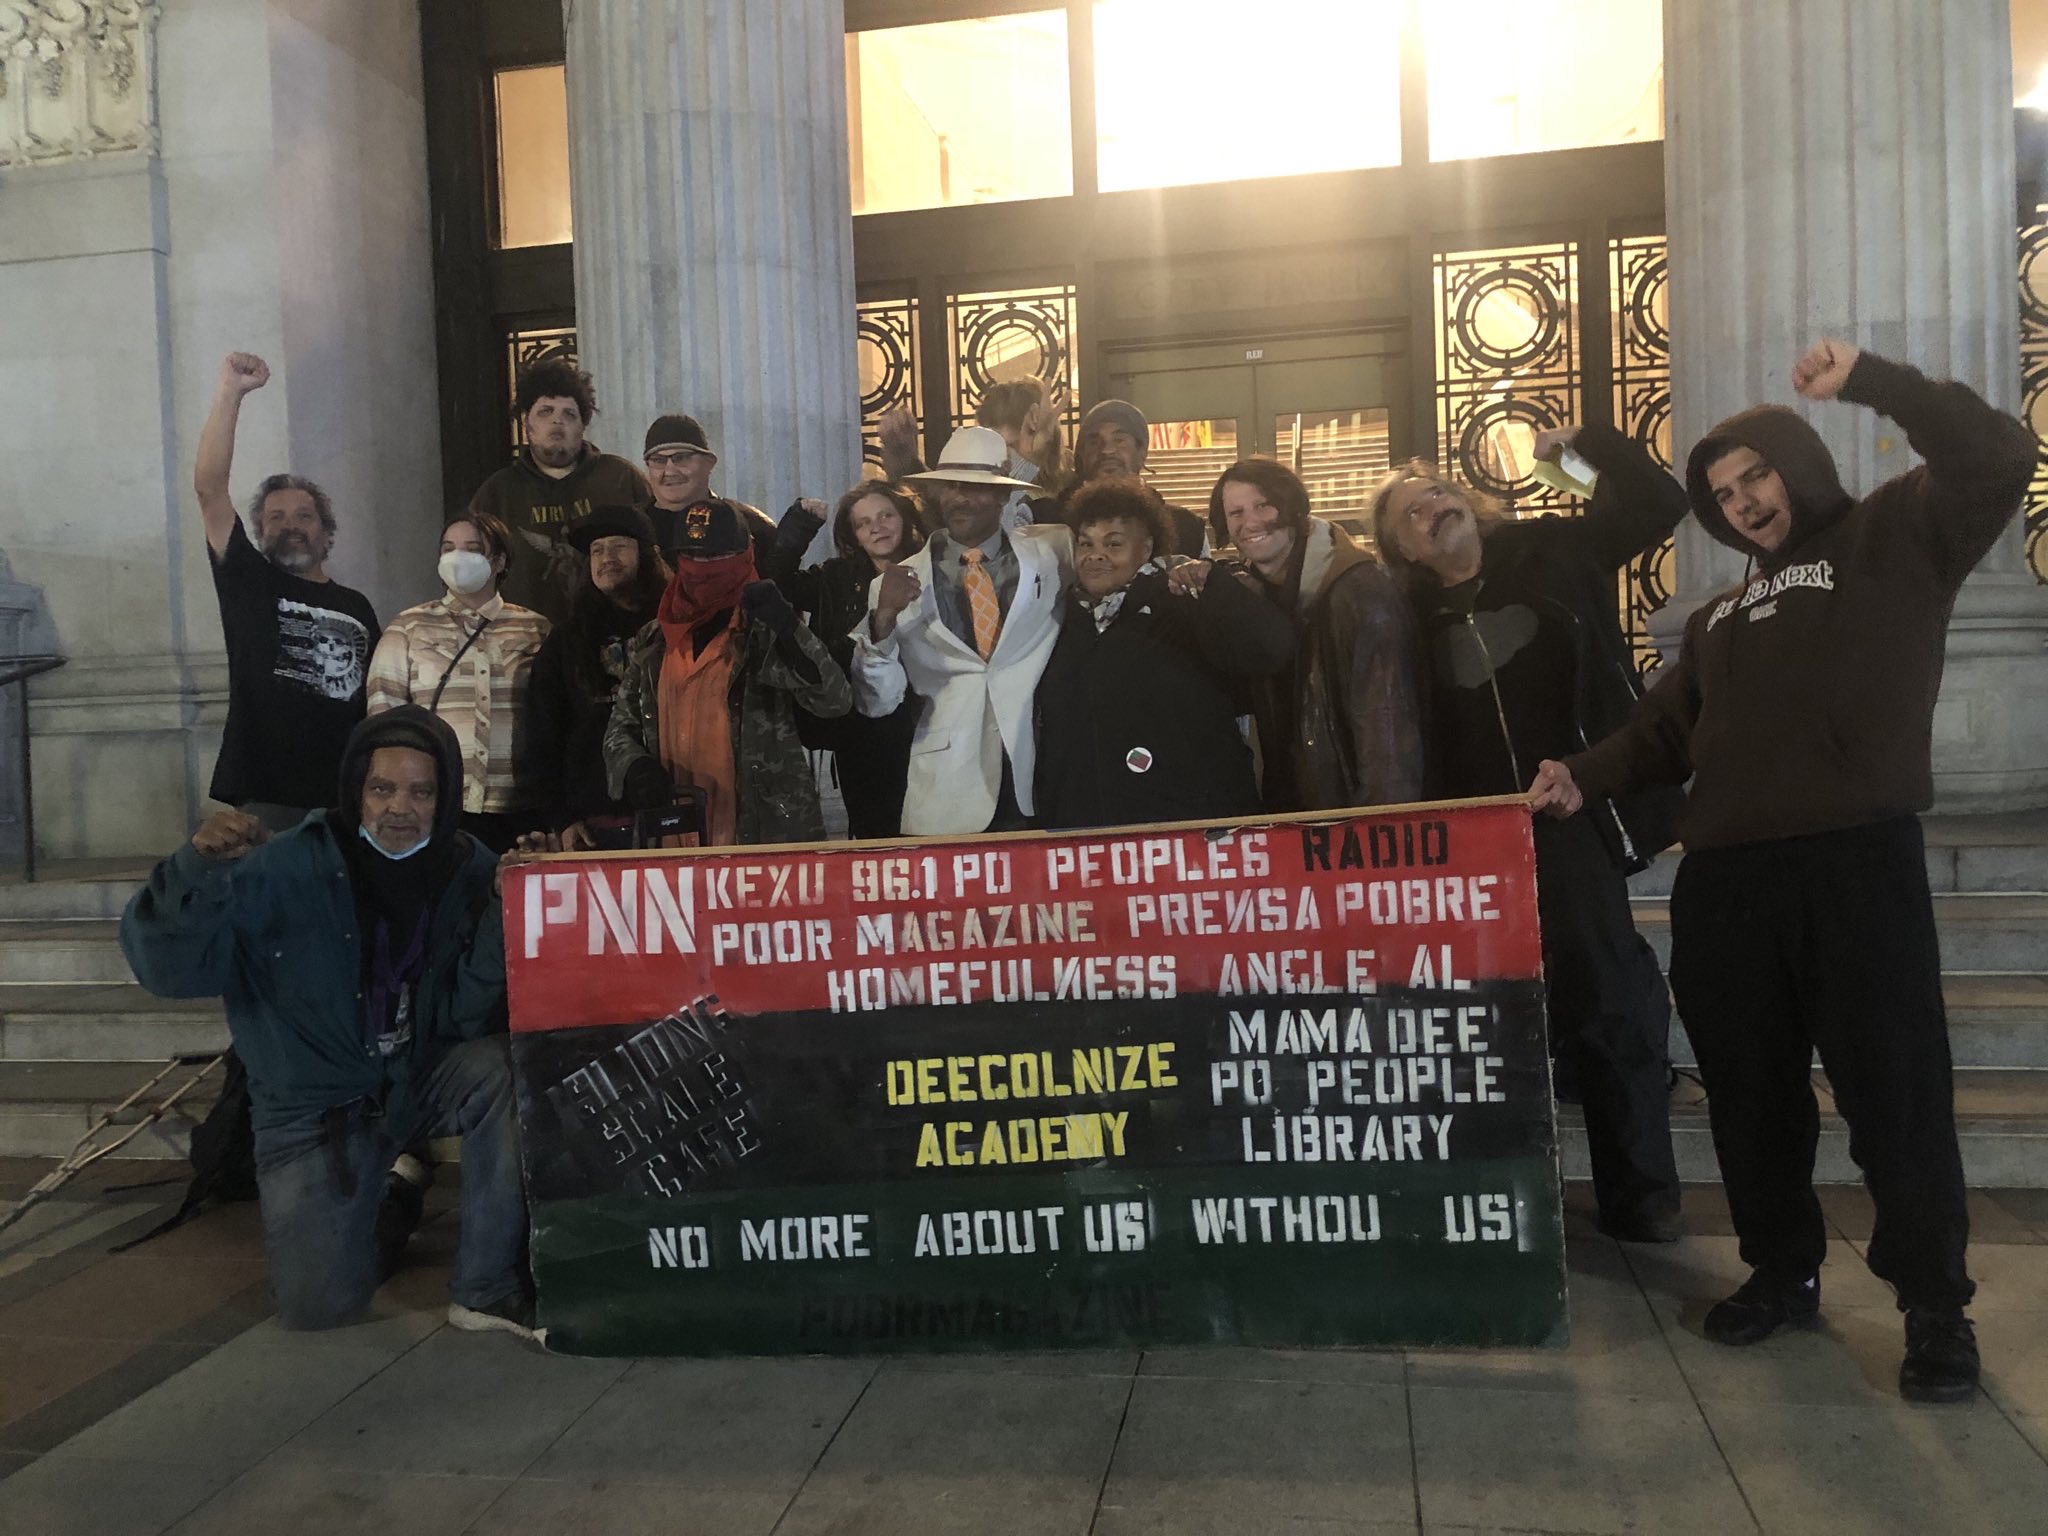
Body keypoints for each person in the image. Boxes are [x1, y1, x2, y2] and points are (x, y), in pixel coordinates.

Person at [1528, 339, 2036, 1404]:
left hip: (1857, 864)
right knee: (1750, 1098)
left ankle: (1934, 1308)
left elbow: (1996, 454)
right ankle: (1780, 1268)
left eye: (1753, 474)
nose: (1742, 501)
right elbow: (1658, 735)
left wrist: (1872, 381)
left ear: (1795, 463)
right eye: (1720, 493)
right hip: (1726, 883)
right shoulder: (1716, 619)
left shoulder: (1898, 529)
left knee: (1894, 1093)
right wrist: (1578, 776)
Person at [119, 706, 534, 1338]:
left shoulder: (467, 868)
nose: (401, 808)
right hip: (314, 1108)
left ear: (445, 798)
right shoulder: (280, 867)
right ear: (354, 791)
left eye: (422, 792)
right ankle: (392, 1196)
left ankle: (485, 1287)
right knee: (321, 1307)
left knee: (503, 1067)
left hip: (413, 1077)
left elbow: (459, 1012)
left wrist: (506, 909)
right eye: (382, 788)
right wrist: (194, 873)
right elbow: (168, 973)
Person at [1373, 428, 1687, 1244]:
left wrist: (1585, 446)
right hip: (1472, 842)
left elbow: (1659, 502)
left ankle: (1640, 1193)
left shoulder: (1553, 549)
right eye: (1412, 513)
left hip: (1571, 818)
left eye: (1439, 494)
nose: (1434, 508)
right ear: (1399, 547)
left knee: (1608, 997)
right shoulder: (1405, 613)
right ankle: (1504, 1201)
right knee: (1494, 1016)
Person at [849, 426, 1074, 835]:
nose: (960, 498)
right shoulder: (891, 585)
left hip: (1041, 777)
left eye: (975, 487)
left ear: (1004, 495)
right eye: (950, 486)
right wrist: (882, 623)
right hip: (947, 786)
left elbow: (1118, 568)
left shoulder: (1053, 550)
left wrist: (1179, 569)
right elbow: (878, 703)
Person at [1034, 476, 1294, 829]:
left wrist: (1216, 587)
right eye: (1085, 544)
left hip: (1194, 835)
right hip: (1091, 840)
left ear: (1145, 549)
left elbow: (1271, 650)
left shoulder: (1182, 602)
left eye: (1114, 544)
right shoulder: (1058, 620)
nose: (1096, 555)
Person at [194, 351, 381, 830]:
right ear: (259, 531)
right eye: (275, 517)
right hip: (267, 793)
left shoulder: (356, 607)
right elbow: (210, 489)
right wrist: (230, 393)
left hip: (346, 793)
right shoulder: (247, 579)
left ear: (326, 532)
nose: (291, 526)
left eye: (304, 516)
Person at [605, 498, 851, 846]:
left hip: (762, 837)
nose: (702, 568)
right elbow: (621, 727)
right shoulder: (655, 638)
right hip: (672, 833)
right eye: (691, 556)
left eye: (715, 556)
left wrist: (788, 628)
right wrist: (633, 768)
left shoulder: (763, 629)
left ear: (744, 554)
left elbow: (833, 699)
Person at [1211, 457, 1422, 811]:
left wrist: (1378, 835)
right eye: (1236, 513)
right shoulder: (1254, 597)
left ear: (1292, 505)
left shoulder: (1360, 591)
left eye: (1263, 505)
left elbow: (1388, 740)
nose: (1250, 522)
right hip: (1299, 821)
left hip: (1351, 827)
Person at [366, 513, 550, 853]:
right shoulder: (408, 626)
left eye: (472, 548)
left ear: (499, 560)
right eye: (448, 548)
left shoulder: (534, 629)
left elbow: (552, 715)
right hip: (438, 802)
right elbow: (383, 719)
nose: (457, 557)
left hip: (517, 806)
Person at [766, 482, 931, 839]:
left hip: (928, 724)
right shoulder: (836, 578)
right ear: (853, 535)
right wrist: (799, 525)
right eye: (863, 522)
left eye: (886, 515)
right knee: (875, 834)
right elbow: (776, 583)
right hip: (862, 733)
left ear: (903, 518)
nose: (877, 527)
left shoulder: (934, 567)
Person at [518, 504, 671, 850]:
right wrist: (560, 819)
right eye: (596, 550)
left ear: (646, 555)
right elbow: (542, 734)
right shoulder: (567, 640)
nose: (606, 558)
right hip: (596, 823)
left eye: (619, 546)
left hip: (680, 812)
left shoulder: (677, 628)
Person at [469, 360, 652, 623]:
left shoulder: (620, 478)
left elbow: (655, 555)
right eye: (545, 411)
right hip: (526, 641)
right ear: (525, 422)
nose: (557, 420)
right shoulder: (497, 493)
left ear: (582, 425)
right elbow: (471, 575)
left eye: (569, 414)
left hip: (617, 637)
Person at [877, 377, 1067, 528]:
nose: (996, 460)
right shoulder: (964, 501)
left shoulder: (1064, 503)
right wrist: (904, 459)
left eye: (1009, 447)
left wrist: (1025, 465)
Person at [640, 413, 786, 567]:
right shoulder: (631, 530)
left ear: (710, 462)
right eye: (658, 460)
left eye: (681, 458)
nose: (669, 471)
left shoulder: (751, 525)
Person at [1076, 398, 1209, 558]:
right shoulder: (1057, 523)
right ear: (1082, 455)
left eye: (1119, 440)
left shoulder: (1186, 527)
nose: (1107, 450)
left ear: (1142, 451)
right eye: (1094, 442)